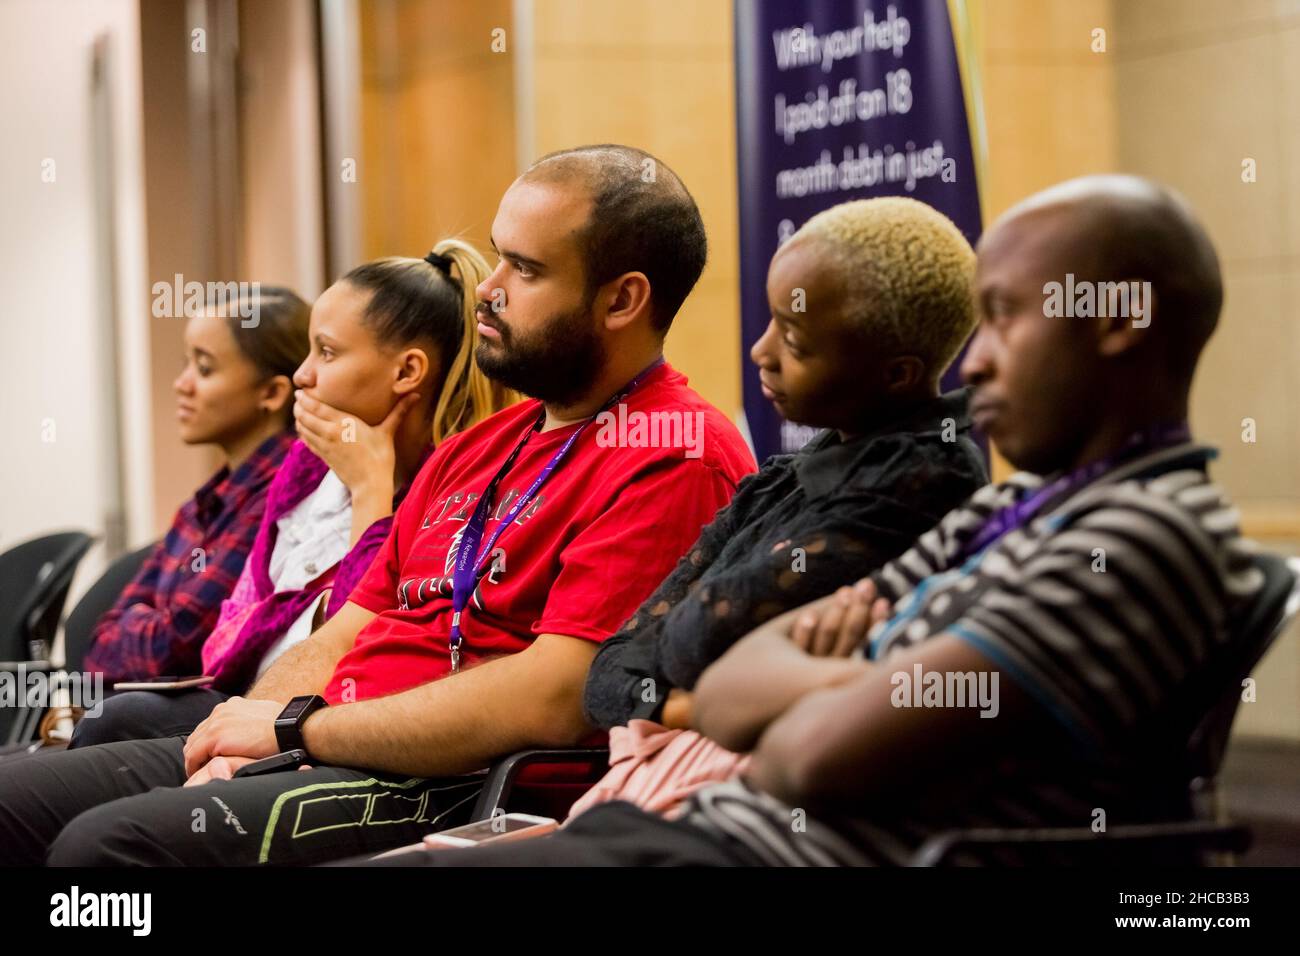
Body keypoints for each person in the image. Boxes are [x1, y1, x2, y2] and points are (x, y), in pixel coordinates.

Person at [367, 175, 1264, 867]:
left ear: (1115, 323)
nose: (976, 363)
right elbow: (709, 688)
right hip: (711, 833)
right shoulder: (1010, 508)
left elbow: (806, 761)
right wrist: (831, 679)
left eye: (1002, 320)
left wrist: (819, 679)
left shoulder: (1137, 539)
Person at [0, 144, 756, 866]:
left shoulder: (676, 452)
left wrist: (302, 727)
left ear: (622, 299)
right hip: (330, 737)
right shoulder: (478, 447)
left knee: (103, 853)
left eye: (524, 269)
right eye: (497, 256)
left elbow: (555, 698)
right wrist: (246, 735)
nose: (488, 288)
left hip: (452, 781)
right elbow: (350, 629)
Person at [570, 197, 987, 819]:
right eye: (768, 321)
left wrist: (675, 689)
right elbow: (608, 675)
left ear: (897, 374)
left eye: (793, 340)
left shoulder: (924, 481)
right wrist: (693, 705)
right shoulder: (786, 479)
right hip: (671, 790)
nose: (760, 352)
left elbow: (691, 638)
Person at [71, 241, 516, 747]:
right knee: (109, 722)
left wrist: (371, 489)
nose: (303, 374)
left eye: (326, 352)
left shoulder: (454, 491)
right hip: (248, 698)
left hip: (327, 725)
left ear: (406, 373)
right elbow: (227, 639)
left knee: (117, 722)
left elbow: (357, 652)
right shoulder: (305, 468)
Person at [81, 287, 308, 684]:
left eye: (204, 369)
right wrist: (147, 623)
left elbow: (176, 650)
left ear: (271, 393)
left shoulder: (286, 492)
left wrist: (140, 622)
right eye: (186, 363)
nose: (181, 384)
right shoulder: (202, 504)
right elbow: (100, 643)